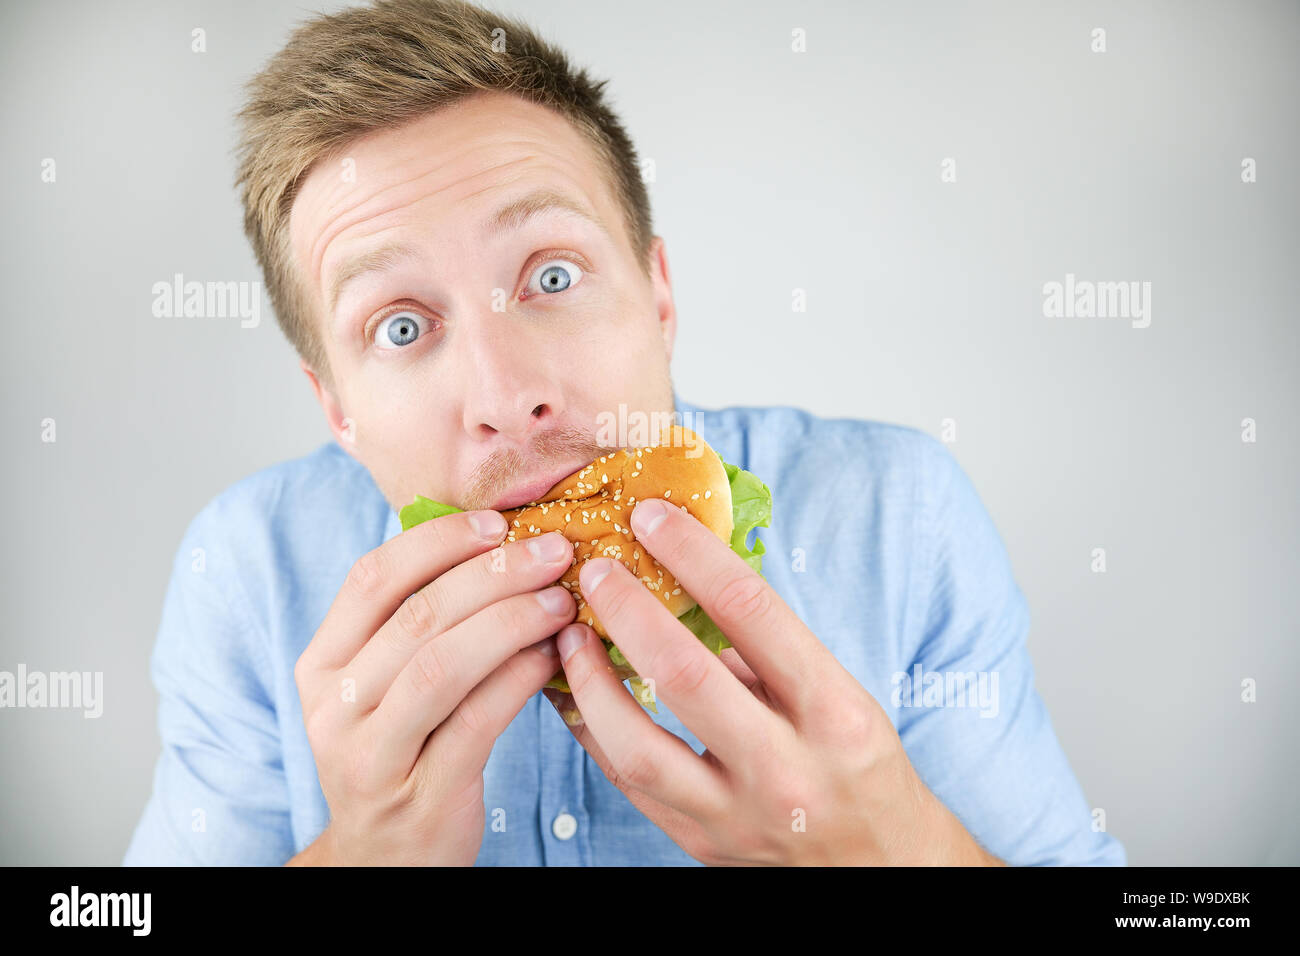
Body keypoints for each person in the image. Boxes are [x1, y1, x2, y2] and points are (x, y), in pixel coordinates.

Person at [123, 0, 1125, 866]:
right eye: (400, 325)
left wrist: (893, 841)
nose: (507, 396)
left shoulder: (897, 512)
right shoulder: (247, 569)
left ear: (657, 296)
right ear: (335, 405)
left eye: (550, 275)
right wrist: (358, 853)